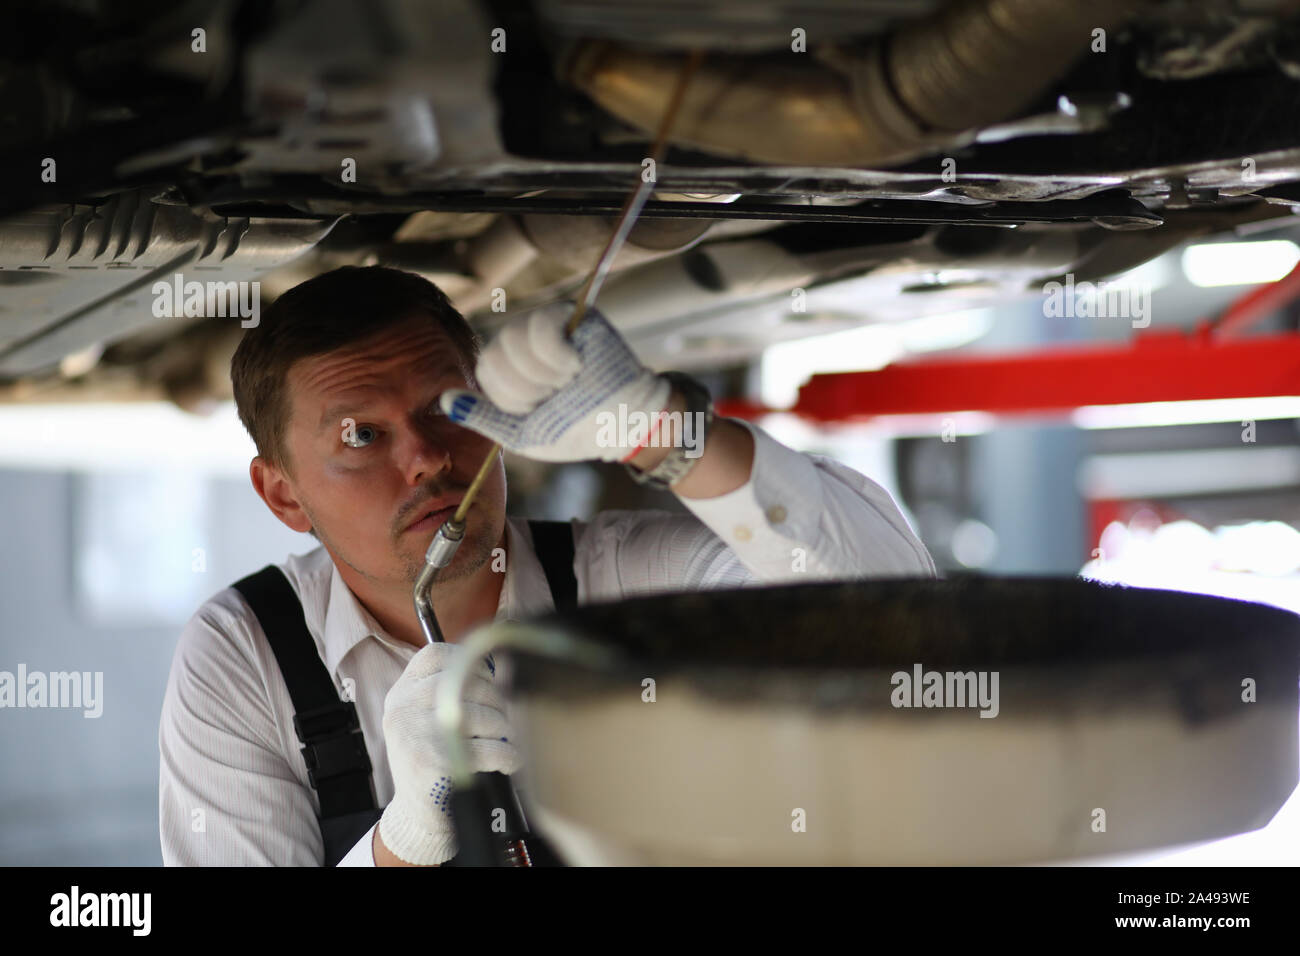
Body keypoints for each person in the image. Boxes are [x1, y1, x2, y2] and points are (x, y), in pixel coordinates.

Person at [158, 265, 936, 867]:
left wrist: (667, 432)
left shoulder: (623, 579)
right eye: (361, 436)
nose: (428, 458)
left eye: (446, 408)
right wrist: (403, 843)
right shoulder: (247, 656)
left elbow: (904, 637)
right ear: (284, 497)